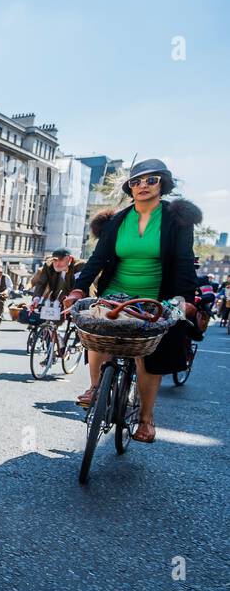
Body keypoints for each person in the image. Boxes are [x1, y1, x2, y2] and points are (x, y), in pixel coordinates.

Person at [65, 159, 202, 443]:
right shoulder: (116, 220)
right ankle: (94, 387)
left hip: (156, 297)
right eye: (136, 181)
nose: (143, 186)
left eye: (151, 180)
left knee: (148, 355)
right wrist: (78, 289)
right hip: (116, 290)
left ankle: (146, 419)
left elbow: (184, 262)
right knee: (96, 328)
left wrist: (184, 299)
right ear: (130, 187)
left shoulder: (176, 220)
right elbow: (97, 260)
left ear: (162, 183)